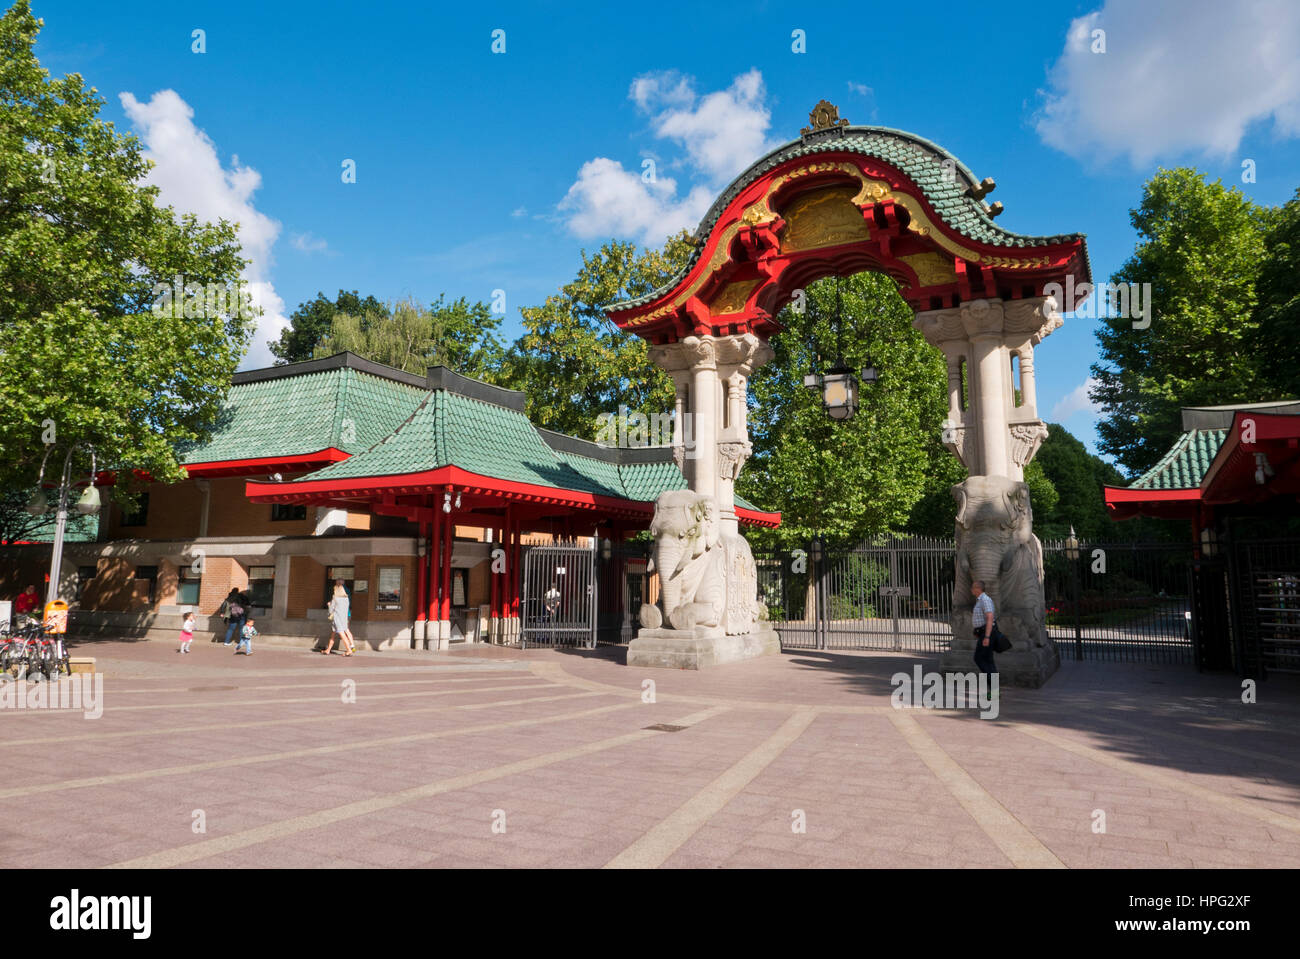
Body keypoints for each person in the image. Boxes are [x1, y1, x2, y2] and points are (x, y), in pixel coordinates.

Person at [970, 580, 998, 677]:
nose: (971, 589)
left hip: (987, 633)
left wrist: (987, 637)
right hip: (983, 633)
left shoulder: (984, 599)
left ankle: (993, 684)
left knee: (979, 658)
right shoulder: (980, 600)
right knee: (988, 660)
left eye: (973, 587)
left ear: (978, 589)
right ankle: (994, 689)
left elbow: (990, 617)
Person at [322, 581, 355, 656]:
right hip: (344, 618)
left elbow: (331, 611)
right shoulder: (346, 599)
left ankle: (349, 650)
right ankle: (328, 650)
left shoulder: (335, 598)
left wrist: (329, 605)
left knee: (342, 635)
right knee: (333, 634)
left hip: (337, 619)